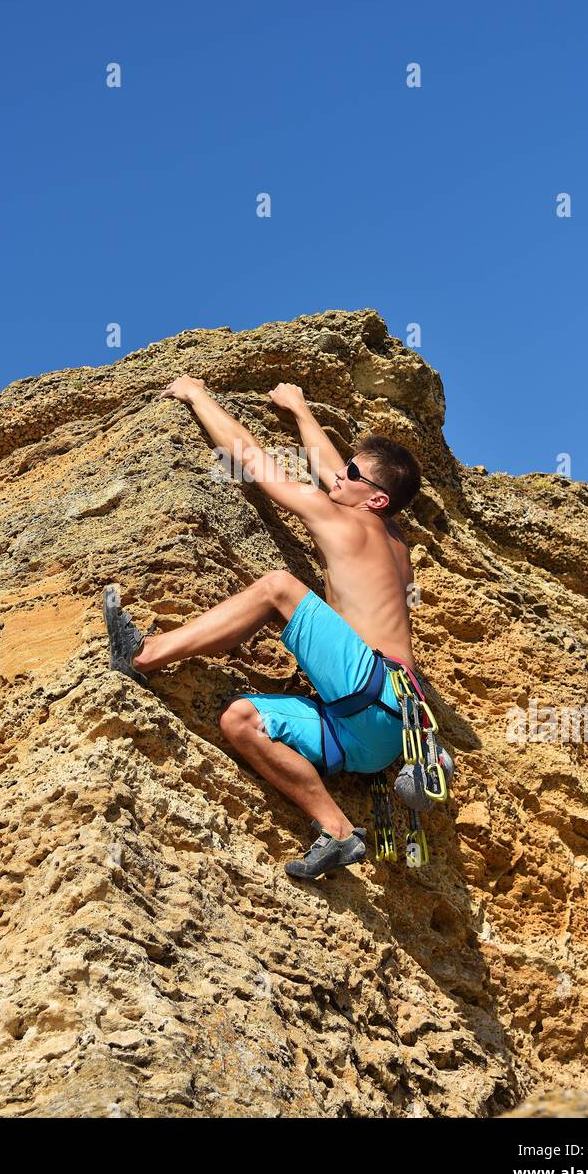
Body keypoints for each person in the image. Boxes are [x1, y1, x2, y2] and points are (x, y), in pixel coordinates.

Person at [103, 377, 427, 880]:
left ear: (376, 499)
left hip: (372, 688)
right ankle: (338, 829)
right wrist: (299, 409)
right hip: (379, 740)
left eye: (351, 473)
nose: (338, 475)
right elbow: (332, 470)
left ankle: (144, 653)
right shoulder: (396, 544)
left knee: (279, 587)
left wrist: (197, 395)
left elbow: (253, 461)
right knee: (240, 720)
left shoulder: (340, 520)